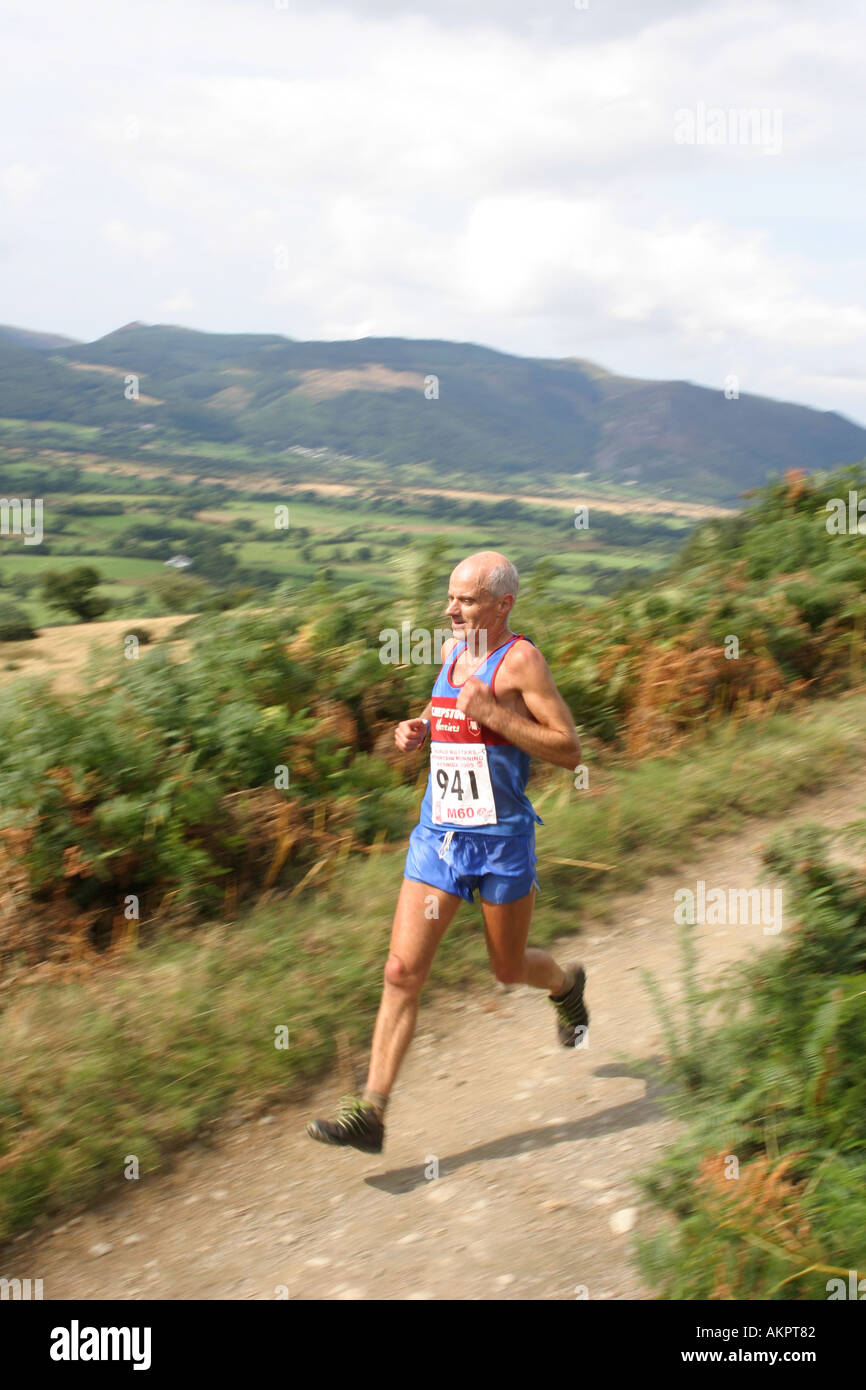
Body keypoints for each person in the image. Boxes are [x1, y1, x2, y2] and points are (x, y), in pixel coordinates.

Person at [306, 550, 588, 1154]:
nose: (450, 609)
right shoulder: (451, 651)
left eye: (464, 599)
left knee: (508, 970)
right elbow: (447, 713)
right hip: (440, 838)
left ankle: (565, 986)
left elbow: (568, 749)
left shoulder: (522, 663)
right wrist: (419, 727)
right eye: (450, 597)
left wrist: (493, 713)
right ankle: (371, 1111)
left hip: (502, 842)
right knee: (401, 971)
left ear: (502, 604)